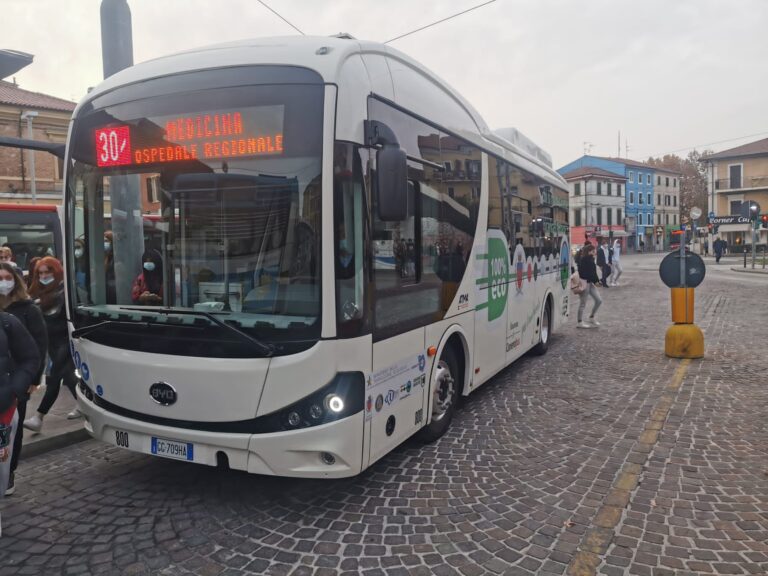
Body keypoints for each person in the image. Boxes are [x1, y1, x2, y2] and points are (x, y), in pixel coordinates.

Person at [0, 263, 47, 495]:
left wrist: (33, 379)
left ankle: (9, 472)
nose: (4, 282)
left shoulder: (28, 309)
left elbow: (38, 345)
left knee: (13, 430)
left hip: (18, 380)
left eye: (7, 278)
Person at [23, 257, 80, 433]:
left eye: (48, 272)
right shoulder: (36, 293)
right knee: (69, 377)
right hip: (51, 343)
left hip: (66, 340)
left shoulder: (66, 292)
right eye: (40, 273)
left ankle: (39, 417)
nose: (44, 276)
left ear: (55, 271)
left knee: (54, 377)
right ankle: (85, 404)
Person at [1, 309, 40, 530]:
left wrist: (14, 389)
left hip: (3, 411)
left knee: (0, 468)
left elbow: (30, 357)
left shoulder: (7, 322)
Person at [576, 244, 602, 328]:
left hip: (590, 283)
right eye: (594, 250)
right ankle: (579, 322)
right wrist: (596, 281)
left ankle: (591, 317)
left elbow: (593, 273)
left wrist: (597, 281)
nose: (595, 251)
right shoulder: (583, 260)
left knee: (599, 300)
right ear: (589, 251)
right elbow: (587, 273)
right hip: (585, 283)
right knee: (582, 303)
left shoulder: (591, 259)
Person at [104, 230, 117, 303]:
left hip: (112, 292)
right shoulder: (100, 256)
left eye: (107, 241)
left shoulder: (116, 259)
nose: (105, 244)